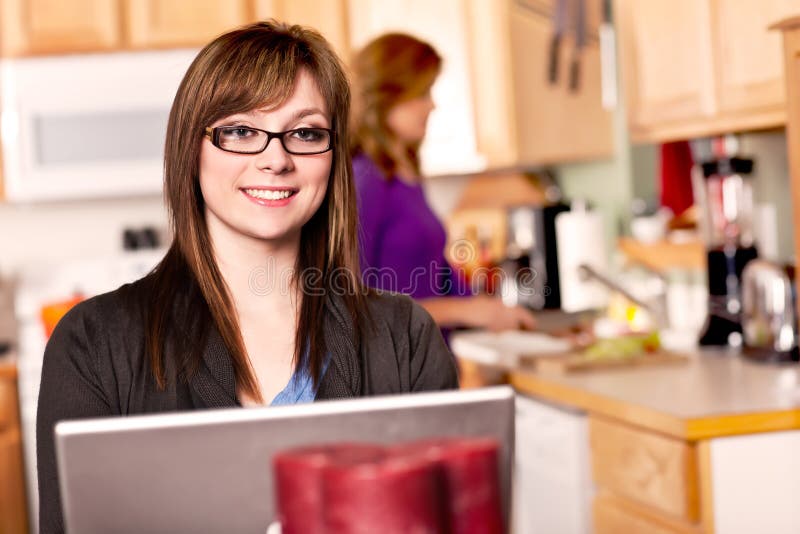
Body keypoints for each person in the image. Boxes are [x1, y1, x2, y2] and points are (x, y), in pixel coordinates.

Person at [36, 21, 457, 533]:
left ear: (332, 156)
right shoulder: (91, 345)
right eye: (239, 131)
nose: (275, 158)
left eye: (305, 132)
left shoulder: (406, 338)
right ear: (191, 149)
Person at [351, 33, 537, 332]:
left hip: (428, 367)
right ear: (387, 95)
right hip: (393, 375)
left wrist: (488, 309)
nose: (432, 106)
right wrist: (464, 311)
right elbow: (353, 304)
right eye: (422, 93)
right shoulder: (365, 180)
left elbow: (437, 272)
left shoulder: (406, 174)